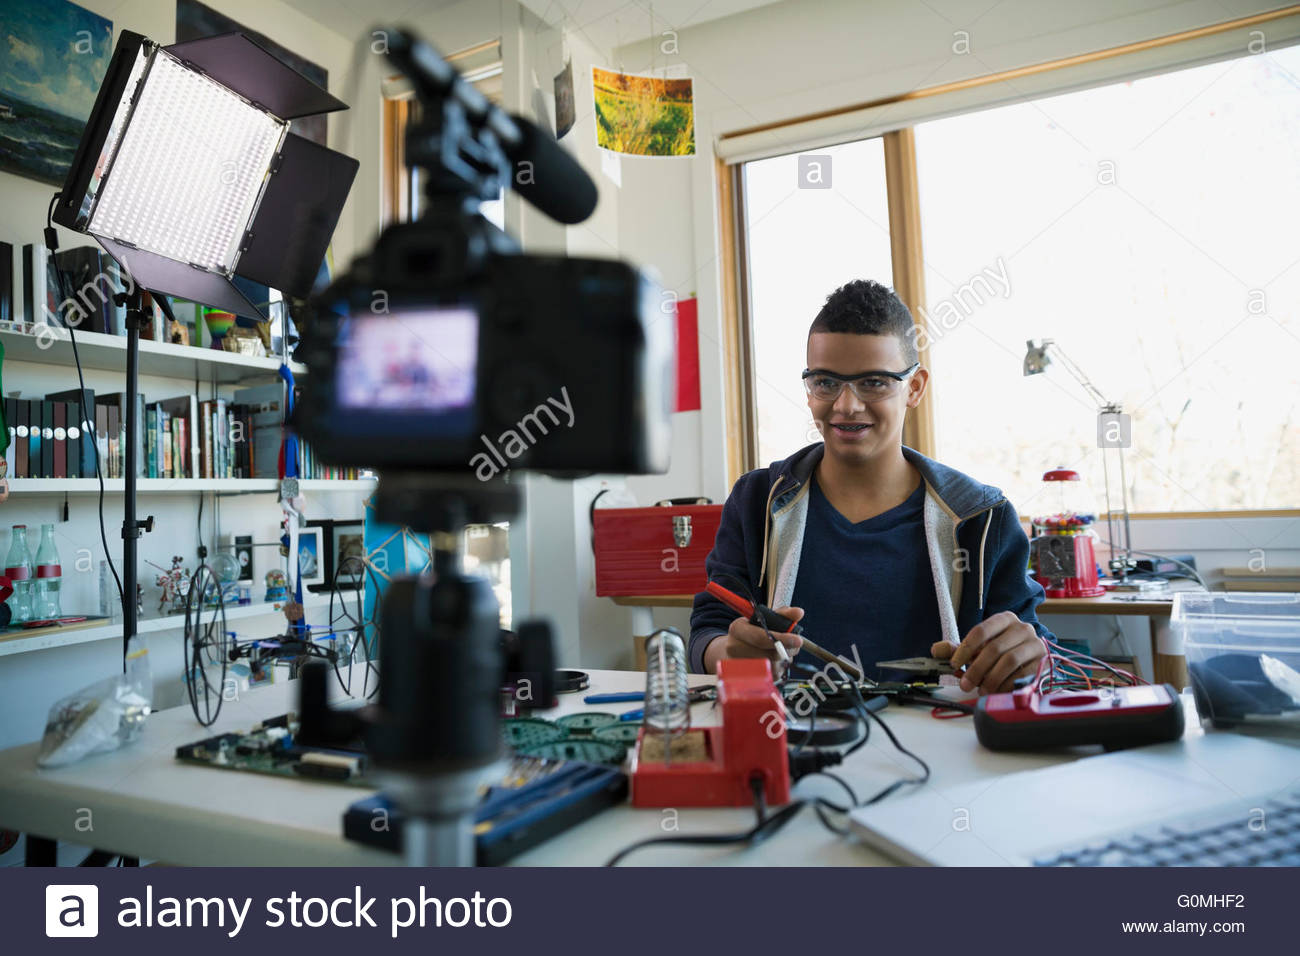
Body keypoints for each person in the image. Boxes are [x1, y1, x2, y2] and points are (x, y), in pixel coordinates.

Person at [689, 280, 1051, 693]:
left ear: (914, 388)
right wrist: (728, 652)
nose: (846, 406)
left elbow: (1037, 655)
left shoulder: (982, 517)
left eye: (874, 382)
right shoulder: (756, 501)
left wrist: (1028, 654)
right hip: (792, 741)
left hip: (945, 745)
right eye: (825, 382)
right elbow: (706, 633)